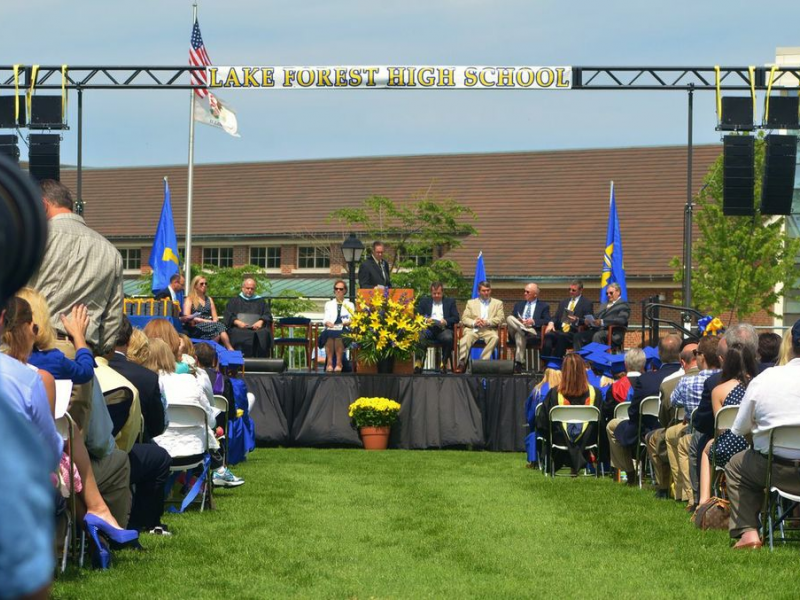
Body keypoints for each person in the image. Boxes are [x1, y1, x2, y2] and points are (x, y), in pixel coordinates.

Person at [725, 319, 800, 550]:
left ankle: (748, 533)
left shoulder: (765, 380)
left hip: (773, 469)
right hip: (775, 467)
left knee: (735, 466)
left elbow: (740, 428)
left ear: (789, 343)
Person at [28, 179, 124, 358]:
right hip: (81, 353)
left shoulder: (33, 239)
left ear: (42, 205)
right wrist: (93, 353)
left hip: (32, 350)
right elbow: (112, 319)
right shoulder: (111, 251)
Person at [606, 334, 682, 486]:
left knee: (612, 425)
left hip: (649, 429)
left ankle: (630, 474)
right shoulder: (685, 377)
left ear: (659, 354)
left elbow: (634, 412)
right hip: (680, 428)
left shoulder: (647, 380)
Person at [696, 342, 757, 508]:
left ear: (727, 362)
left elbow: (720, 428)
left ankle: (704, 502)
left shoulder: (719, 390)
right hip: (755, 446)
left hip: (729, 447)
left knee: (707, 449)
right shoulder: (759, 386)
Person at [536, 354, 602, 475]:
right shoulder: (595, 393)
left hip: (560, 441)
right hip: (588, 441)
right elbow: (601, 423)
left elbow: (543, 424)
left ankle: (568, 461)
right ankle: (580, 461)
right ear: (583, 371)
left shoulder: (554, 393)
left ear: (564, 371)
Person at [455, 280, 505, 373]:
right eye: (484, 291)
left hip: (488, 329)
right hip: (473, 329)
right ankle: (462, 363)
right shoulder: (471, 303)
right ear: (479, 292)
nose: (486, 293)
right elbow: (464, 318)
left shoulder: (498, 303)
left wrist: (487, 322)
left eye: (488, 290)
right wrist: (474, 322)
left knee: (495, 337)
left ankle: (482, 363)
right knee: (465, 339)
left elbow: (501, 318)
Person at [415, 281, 459, 373]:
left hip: (443, 329)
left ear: (442, 292)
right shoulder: (424, 301)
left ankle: (444, 363)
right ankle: (418, 363)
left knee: (448, 337)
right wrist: (426, 320)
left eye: (438, 293)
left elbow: (456, 318)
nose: (436, 295)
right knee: (419, 335)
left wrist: (446, 321)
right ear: (431, 293)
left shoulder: (450, 302)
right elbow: (417, 315)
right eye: (434, 293)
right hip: (428, 329)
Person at [506, 283, 551, 374]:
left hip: (531, 330)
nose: (525, 293)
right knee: (509, 318)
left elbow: (547, 320)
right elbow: (513, 318)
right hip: (517, 329)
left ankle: (518, 364)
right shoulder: (518, 305)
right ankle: (523, 331)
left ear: (535, 294)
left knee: (520, 335)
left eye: (527, 292)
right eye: (524, 291)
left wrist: (533, 321)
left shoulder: (543, 306)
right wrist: (519, 321)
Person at [542, 280, 594, 359]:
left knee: (562, 337)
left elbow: (589, 321)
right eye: (569, 289)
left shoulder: (586, 303)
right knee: (549, 335)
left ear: (581, 290)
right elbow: (556, 317)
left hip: (574, 332)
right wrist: (551, 323)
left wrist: (577, 320)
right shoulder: (563, 302)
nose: (571, 292)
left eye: (573, 290)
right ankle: (546, 361)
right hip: (561, 330)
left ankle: (557, 361)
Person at [223, 278, 273, 358]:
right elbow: (228, 315)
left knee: (264, 333)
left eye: (252, 289)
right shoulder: (234, 301)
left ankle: (260, 361)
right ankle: (237, 359)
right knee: (236, 333)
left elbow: (267, 315)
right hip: (239, 329)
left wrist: (261, 321)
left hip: (257, 329)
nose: (249, 290)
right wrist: (237, 322)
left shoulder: (260, 301)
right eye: (247, 288)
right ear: (242, 288)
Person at [182, 276, 234, 350]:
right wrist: (204, 321)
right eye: (201, 284)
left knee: (217, 331)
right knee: (218, 328)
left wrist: (214, 322)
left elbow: (215, 316)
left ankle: (212, 351)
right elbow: (187, 316)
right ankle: (229, 348)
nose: (204, 285)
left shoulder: (209, 299)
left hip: (210, 325)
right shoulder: (190, 299)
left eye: (206, 284)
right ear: (195, 285)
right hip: (196, 325)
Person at [575, 283, 630, 350]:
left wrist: (602, 322)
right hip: (599, 331)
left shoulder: (624, 305)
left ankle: (597, 359)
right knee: (578, 336)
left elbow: (622, 320)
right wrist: (582, 320)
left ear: (618, 292)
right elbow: (596, 317)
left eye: (611, 293)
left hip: (612, 333)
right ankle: (580, 358)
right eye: (607, 293)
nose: (608, 295)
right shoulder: (604, 304)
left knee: (598, 335)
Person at [318, 280, 355, 372]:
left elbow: (353, 319)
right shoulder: (328, 304)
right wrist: (328, 323)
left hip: (344, 328)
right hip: (331, 327)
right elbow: (325, 319)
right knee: (329, 334)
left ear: (345, 291)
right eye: (336, 289)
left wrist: (346, 323)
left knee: (338, 335)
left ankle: (339, 363)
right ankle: (329, 363)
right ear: (334, 290)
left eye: (341, 289)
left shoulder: (350, 304)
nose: (338, 291)